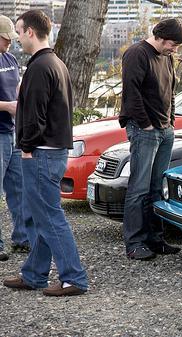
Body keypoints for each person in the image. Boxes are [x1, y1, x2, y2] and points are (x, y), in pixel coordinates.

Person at [2, 10, 88, 296]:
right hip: (51, 150)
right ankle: (34, 274)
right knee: (41, 215)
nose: (16, 38)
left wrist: (27, 148)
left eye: (18, 31)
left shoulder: (40, 67)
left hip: (40, 153)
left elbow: (34, 116)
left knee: (49, 217)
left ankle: (74, 278)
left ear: (30, 32)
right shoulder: (55, 63)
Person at [119, 18, 182, 260]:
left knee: (157, 187)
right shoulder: (136, 54)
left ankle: (155, 239)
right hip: (144, 130)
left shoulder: (167, 57)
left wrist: (170, 121)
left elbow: (171, 90)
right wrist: (146, 124)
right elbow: (131, 93)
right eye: (172, 44)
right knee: (139, 188)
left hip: (165, 130)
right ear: (160, 36)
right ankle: (134, 243)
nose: (174, 49)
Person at [0, 15, 30, 262]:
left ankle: (23, 237)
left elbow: (17, 85)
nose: (10, 42)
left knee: (19, 188)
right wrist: (6, 106)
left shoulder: (10, 59)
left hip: (13, 131)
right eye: (5, 38)